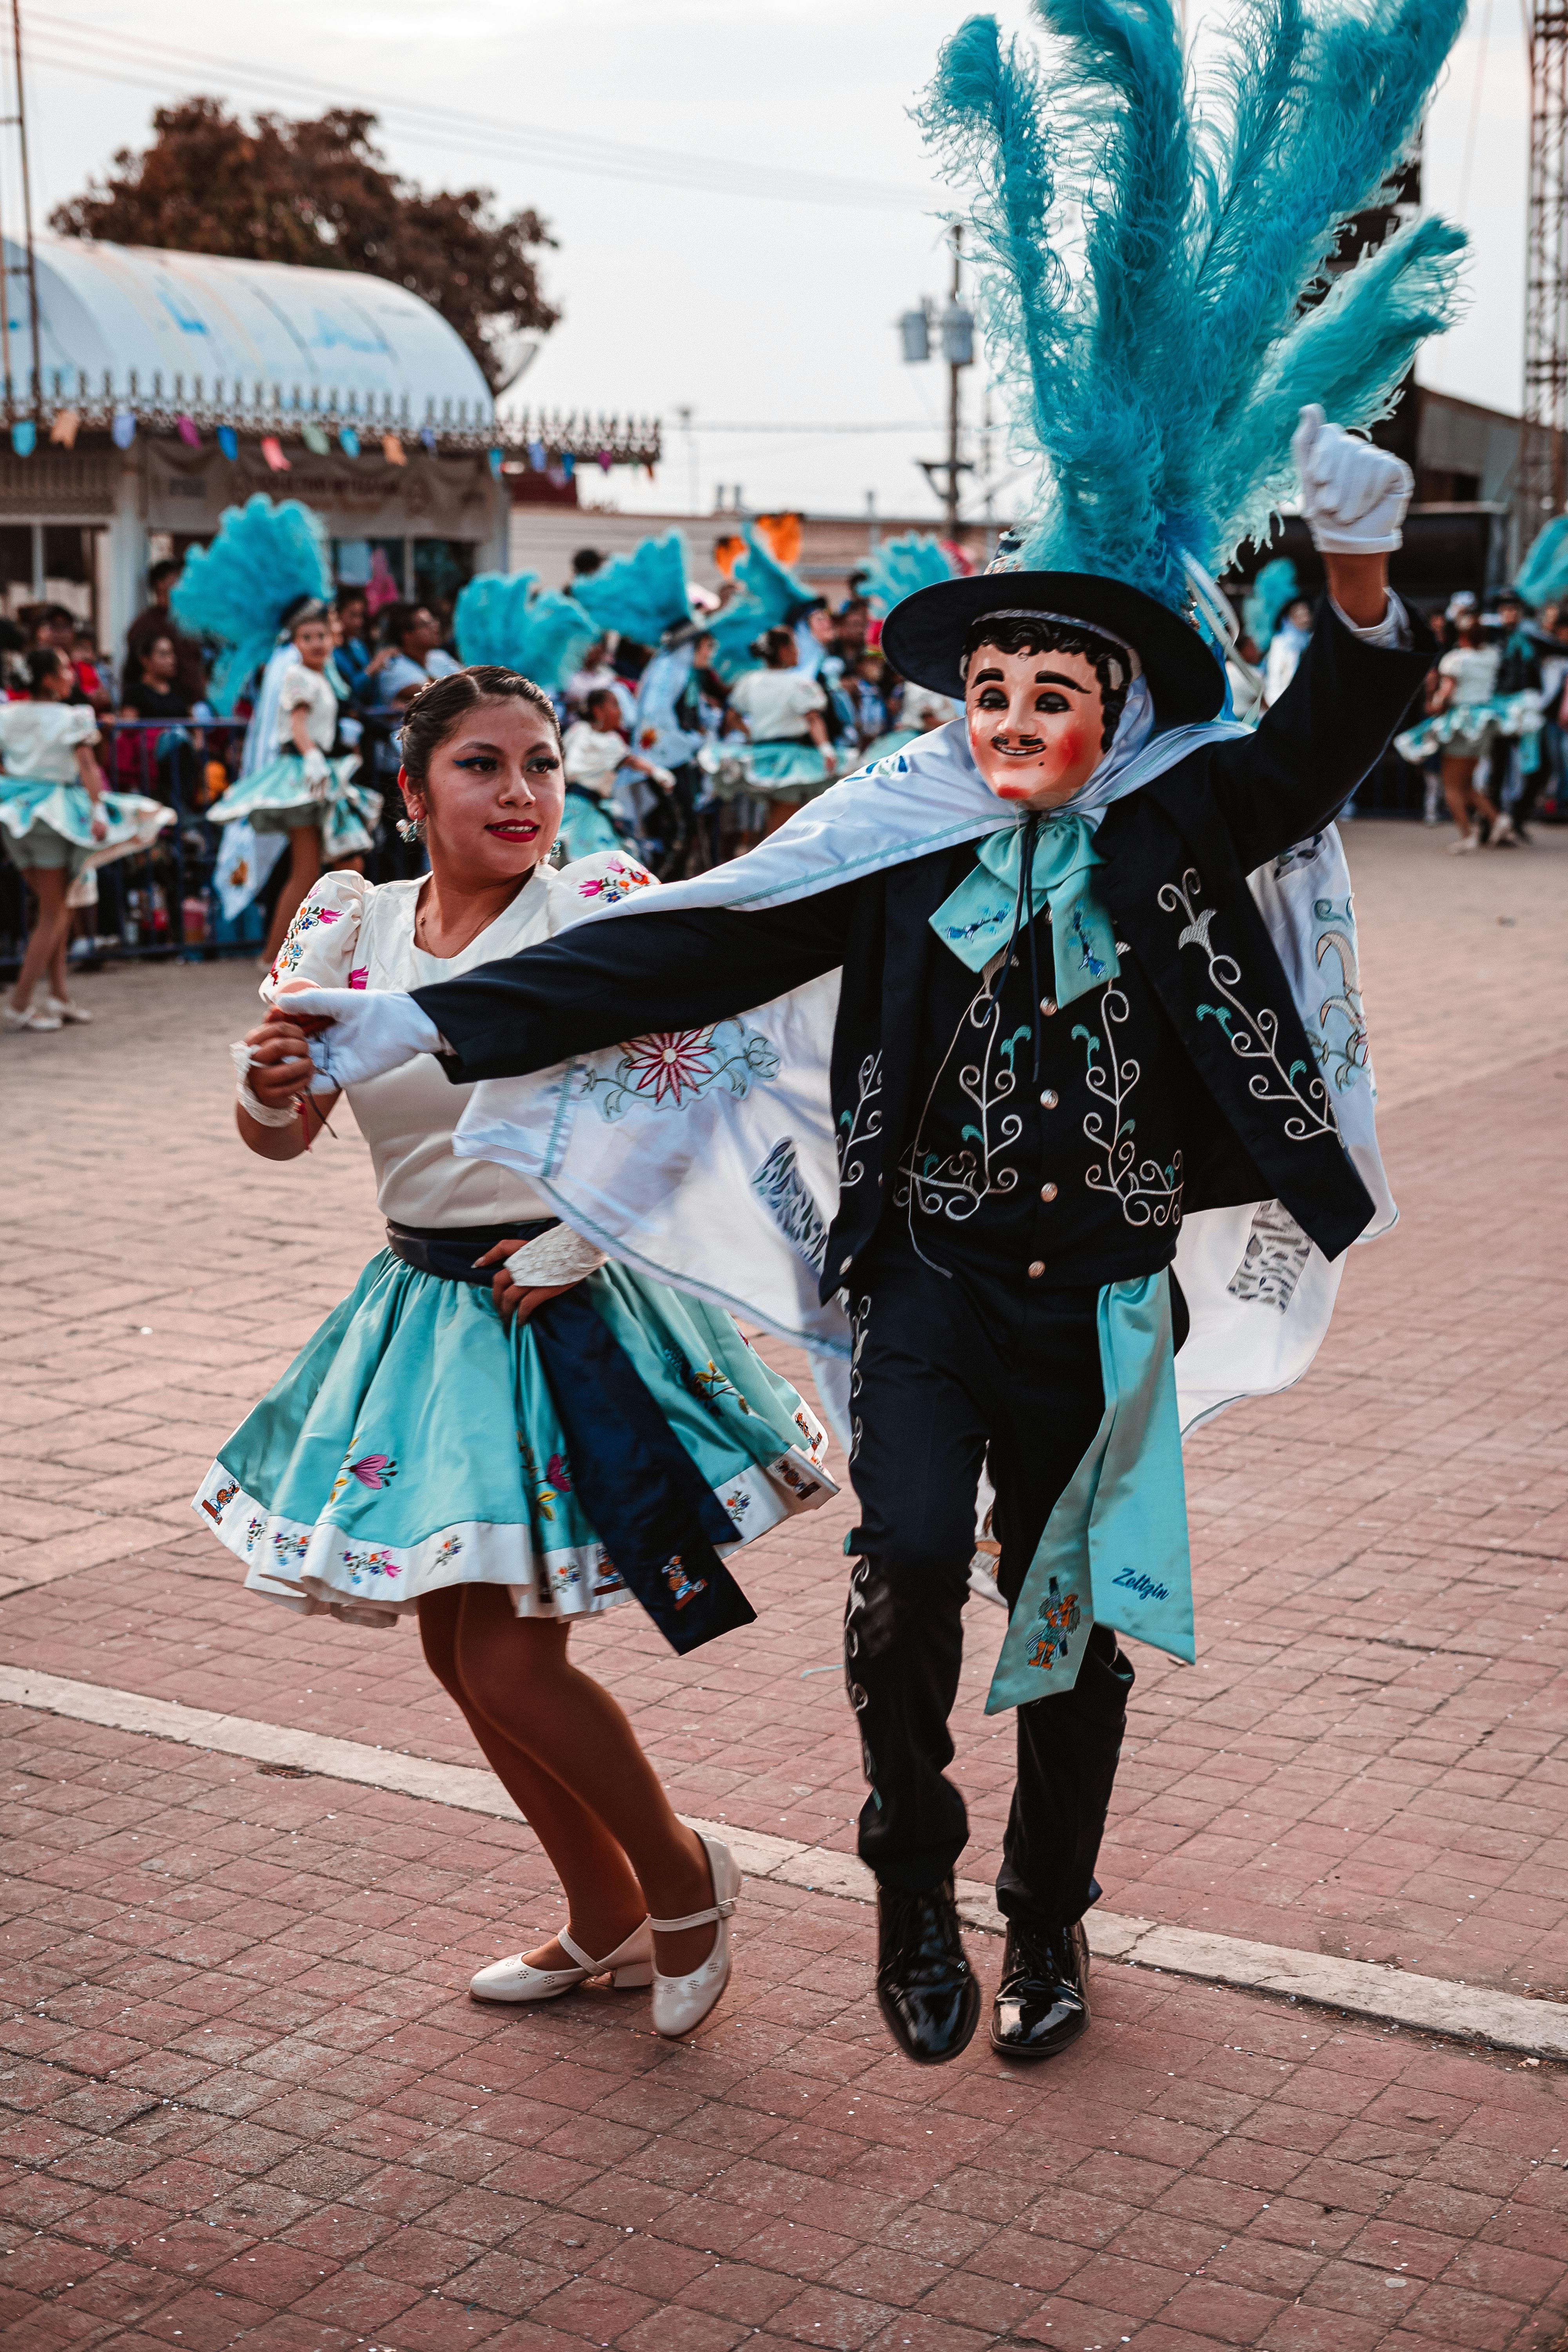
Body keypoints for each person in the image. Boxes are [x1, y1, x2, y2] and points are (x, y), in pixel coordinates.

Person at [276, 0, 1460, 2074]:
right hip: (921, 1280)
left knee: (1072, 1628)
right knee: (910, 1574)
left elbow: (1331, 732)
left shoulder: (1189, 819)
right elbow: (683, 955)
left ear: (1118, 713)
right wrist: (423, 1007)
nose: (1010, 722)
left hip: (1106, 1297)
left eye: (1052, 692)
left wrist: (1356, 577)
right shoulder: (897, 837)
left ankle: (1048, 1928)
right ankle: (911, 1872)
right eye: (987, 688)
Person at [200, 663, 835, 2037]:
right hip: (423, 1314)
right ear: (413, 792)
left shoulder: (593, 907)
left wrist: (584, 1240)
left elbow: (697, 1099)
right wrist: (263, 1093)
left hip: (560, 1307)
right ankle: (601, 1916)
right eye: (483, 766)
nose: (523, 792)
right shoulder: (348, 925)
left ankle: (683, 1885)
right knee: (458, 1653)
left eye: (542, 763)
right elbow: (286, 1133)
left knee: (509, 1663)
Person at [0, 646, 173, 1030]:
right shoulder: (73, 717)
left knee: (58, 904)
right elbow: (87, 765)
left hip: (14, 814)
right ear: (48, 678)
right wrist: (98, 811)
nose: (71, 675)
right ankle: (20, 1001)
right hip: (54, 817)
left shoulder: (6, 715)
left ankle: (59, 996)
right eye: (64, 668)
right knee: (54, 912)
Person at [205, 602, 382, 968]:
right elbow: (298, 724)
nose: (316, 643)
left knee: (346, 862)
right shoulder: (298, 676)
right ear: (295, 644)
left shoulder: (325, 676)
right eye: (307, 637)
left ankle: (320, 950)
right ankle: (274, 955)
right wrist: (313, 756)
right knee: (307, 870)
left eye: (322, 636)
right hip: (304, 777)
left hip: (322, 773)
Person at [1395, 598, 1510, 851]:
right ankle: (1498, 819)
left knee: (1452, 786)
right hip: (1485, 723)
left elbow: (1443, 696)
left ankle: (1468, 835)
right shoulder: (1492, 657)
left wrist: (1431, 699)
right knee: (1466, 782)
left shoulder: (1456, 659)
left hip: (1461, 724)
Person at [728, 626, 835, 837]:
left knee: (768, 815)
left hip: (760, 755)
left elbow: (732, 717)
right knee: (785, 817)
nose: (798, 651)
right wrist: (826, 749)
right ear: (785, 651)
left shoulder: (750, 681)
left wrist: (753, 734)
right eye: (795, 645)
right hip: (791, 759)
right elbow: (813, 719)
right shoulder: (798, 682)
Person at [559, 686, 673, 862]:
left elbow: (627, 759)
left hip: (591, 809)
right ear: (598, 711)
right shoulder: (581, 731)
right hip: (572, 807)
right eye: (615, 705)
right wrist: (656, 772)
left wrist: (656, 772)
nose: (620, 712)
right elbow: (631, 761)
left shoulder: (612, 741)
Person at [125, 557, 208, 705]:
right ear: (160, 585)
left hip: (193, 708)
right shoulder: (145, 624)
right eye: (177, 578)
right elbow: (135, 672)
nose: (184, 583)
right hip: (161, 712)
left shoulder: (190, 622)